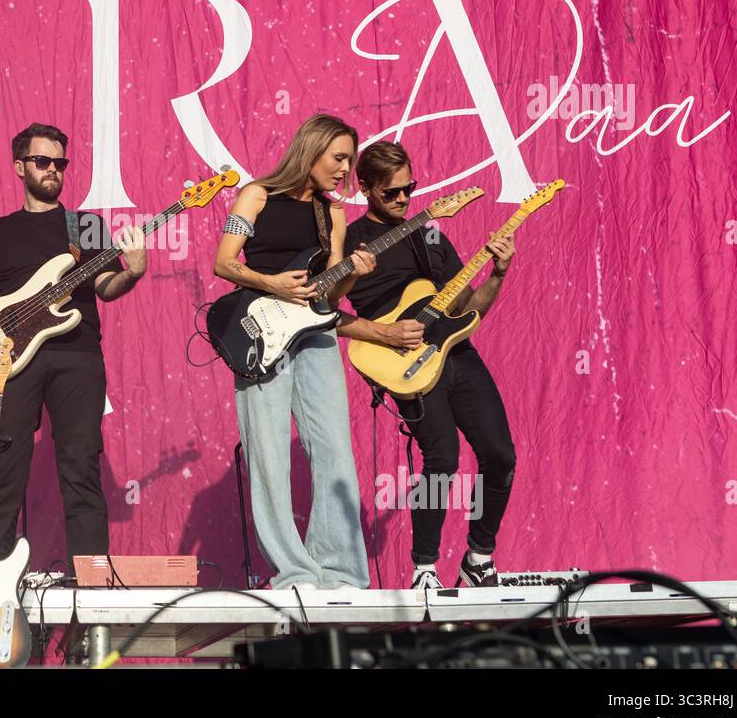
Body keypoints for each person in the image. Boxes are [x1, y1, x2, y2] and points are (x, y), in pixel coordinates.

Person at [0, 123, 146, 564]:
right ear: (19, 167)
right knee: (3, 470)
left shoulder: (84, 227)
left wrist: (132, 271)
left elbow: (105, 285)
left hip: (77, 356)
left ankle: (92, 588)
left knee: (81, 467)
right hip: (7, 358)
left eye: (60, 163)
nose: (53, 171)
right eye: (43, 162)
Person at [337, 142, 516, 589]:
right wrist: (384, 334)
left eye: (409, 189)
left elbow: (470, 308)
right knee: (442, 459)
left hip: (455, 352)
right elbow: (325, 310)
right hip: (401, 359)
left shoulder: (431, 236)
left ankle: (479, 557)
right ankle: (424, 569)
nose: (402, 199)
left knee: (500, 454)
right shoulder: (353, 241)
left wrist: (497, 272)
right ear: (366, 190)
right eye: (391, 192)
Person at [213, 113, 375, 592]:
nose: (346, 169)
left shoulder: (335, 215)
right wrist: (271, 283)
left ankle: (340, 570)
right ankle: (294, 573)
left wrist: (353, 272)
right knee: (267, 454)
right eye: (339, 157)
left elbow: (335, 292)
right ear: (312, 149)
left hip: (315, 332)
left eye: (351, 160)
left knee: (334, 452)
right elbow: (224, 262)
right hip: (259, 329)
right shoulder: (255, 195)